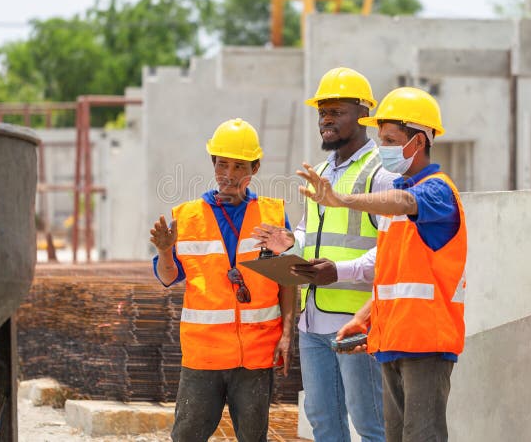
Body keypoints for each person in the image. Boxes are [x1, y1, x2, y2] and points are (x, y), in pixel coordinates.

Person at [297, 87, 466, 442]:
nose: (382, 147)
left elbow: (404, 201)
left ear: (418, 142)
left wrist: (342, 199)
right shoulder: (396, 203)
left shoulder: (437, 191)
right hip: (391, 342)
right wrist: (364, 319)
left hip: (426, 346)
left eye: (390, 140)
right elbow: (392, 277)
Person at [253, 68, 393, 442]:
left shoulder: (380, 173)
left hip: (357, 324)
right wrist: (289, 245)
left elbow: (393, 252)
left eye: (336, 111)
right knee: (323, 422)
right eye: (322, 112)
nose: (326, 120)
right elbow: (310, 234)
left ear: (363, 115)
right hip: (313, 323)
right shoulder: (319, 172)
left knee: (371, 424)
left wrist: (339, 271)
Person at [149, 118, 297, 442]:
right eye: (222, 164)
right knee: (187, 437)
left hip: (256, 356)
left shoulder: (272, 216)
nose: (229, 174)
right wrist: (164, 251)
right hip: (204, 355)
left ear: (255, 168)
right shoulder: (187, 218)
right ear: (213, 164)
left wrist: (287, 332)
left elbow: (287, 279)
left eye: (239, 166)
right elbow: (168, 277)